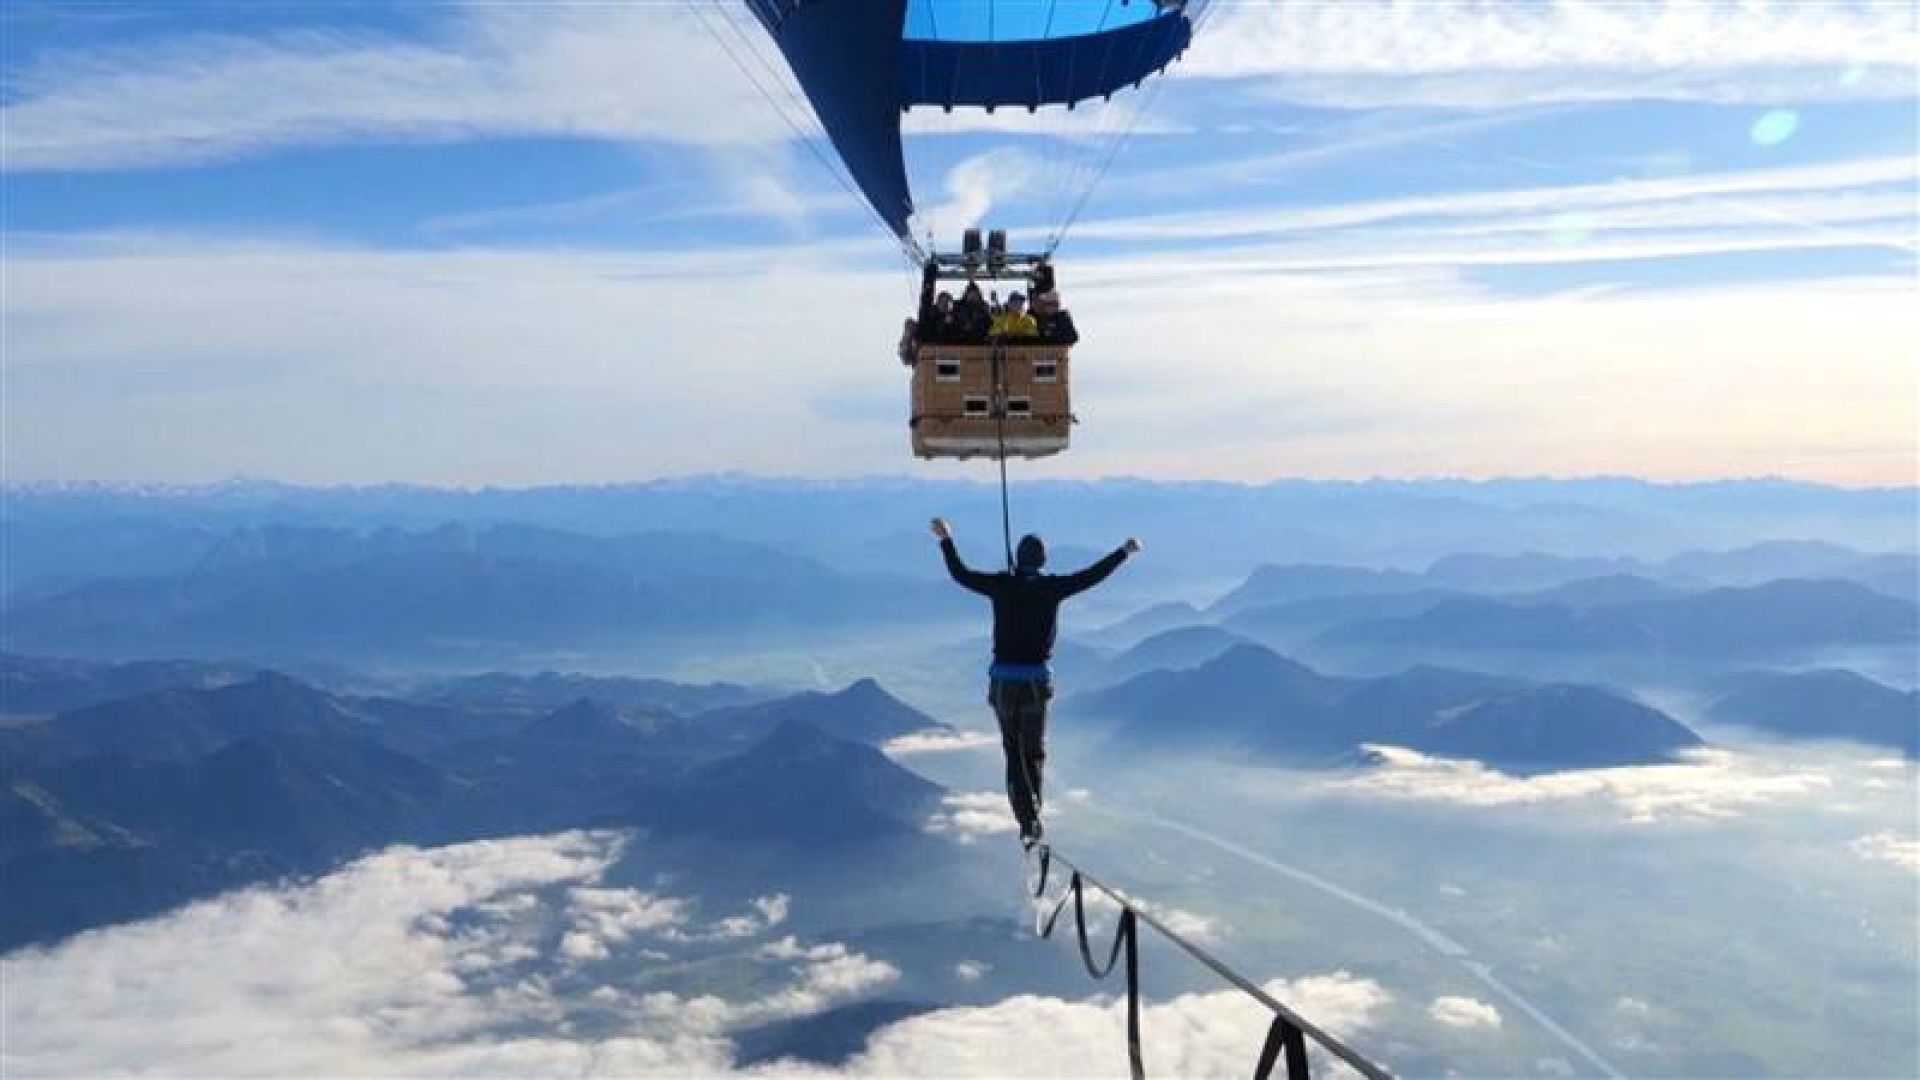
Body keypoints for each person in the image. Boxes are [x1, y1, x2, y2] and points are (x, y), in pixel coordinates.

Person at [932, 517, 1141, 847]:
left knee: (1012, 751)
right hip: (1035, 684)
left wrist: (946, 539)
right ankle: (1033, 814)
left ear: (1018, 558)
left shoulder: (1002, 585)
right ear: (1043, 561)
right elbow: (1091, 576)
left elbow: (961, 574)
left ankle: (1026, 819)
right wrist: (1123, 552)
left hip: (1003, 683)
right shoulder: (1051, 588)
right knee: (1034, 751)